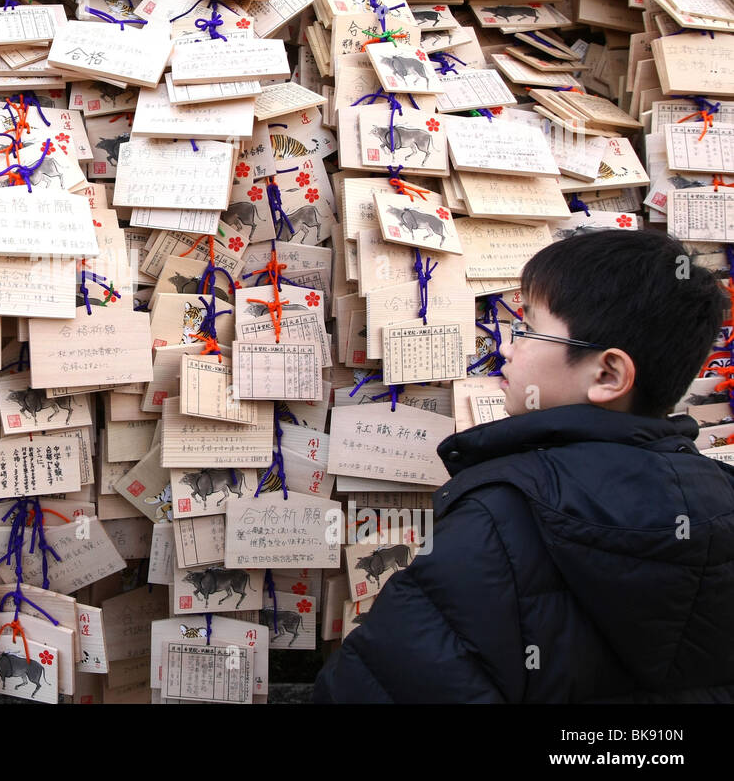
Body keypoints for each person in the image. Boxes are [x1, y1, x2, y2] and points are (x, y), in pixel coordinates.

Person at [313, 229, 734, 702]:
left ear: (608, 374)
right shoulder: (721, 501)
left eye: (528, 329)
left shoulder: (498, 525)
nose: (507, 348)